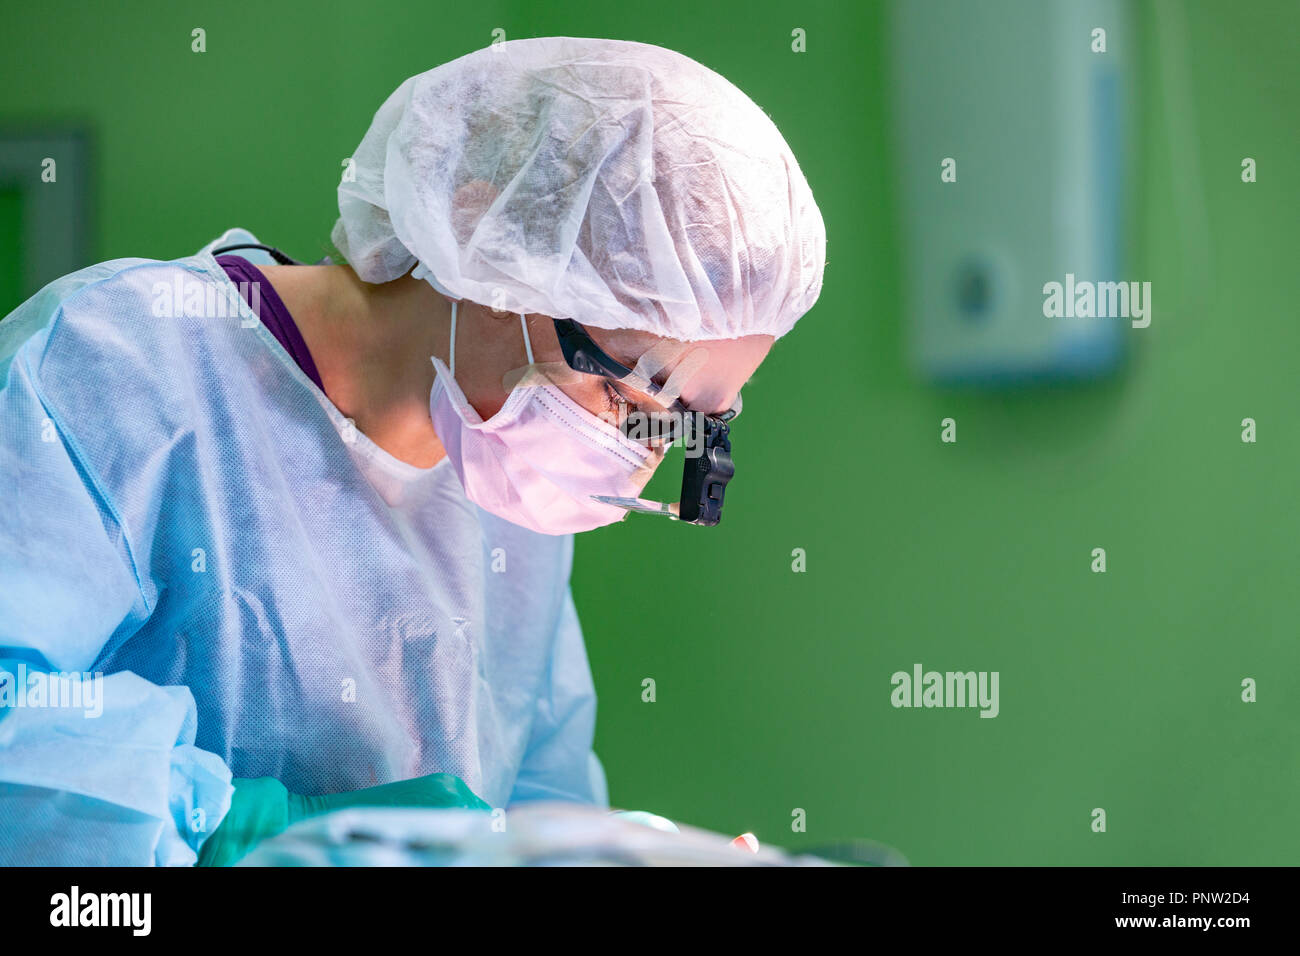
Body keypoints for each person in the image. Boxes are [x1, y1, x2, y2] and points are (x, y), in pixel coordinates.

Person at [0, 37, 825, 865]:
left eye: (681, 423)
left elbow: (539, 797)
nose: (630, 456)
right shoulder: (118, 366)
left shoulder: (506, 493)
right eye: (624, 394)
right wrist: (258, 833)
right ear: (479, 231)